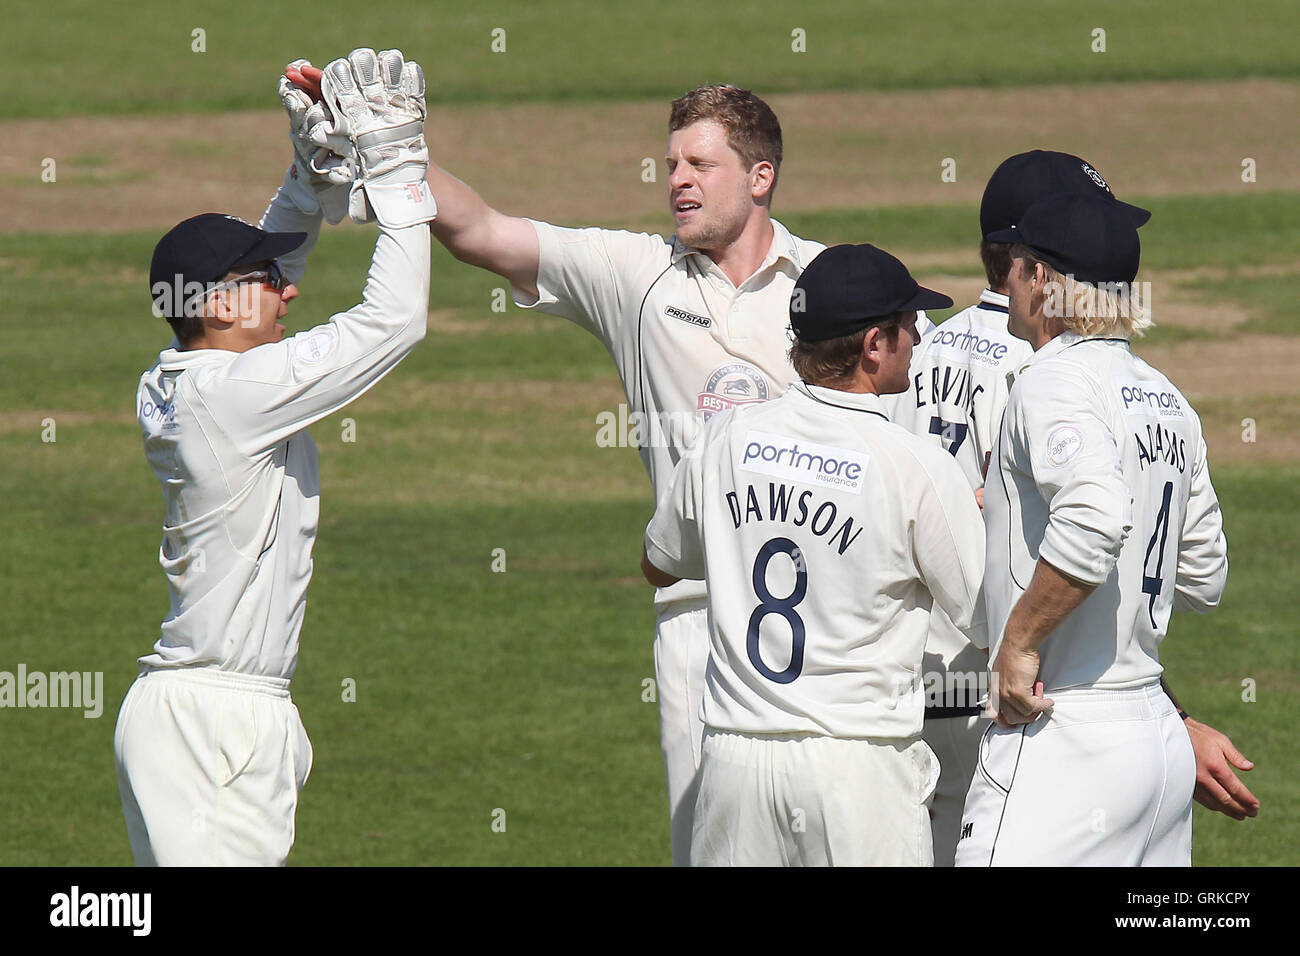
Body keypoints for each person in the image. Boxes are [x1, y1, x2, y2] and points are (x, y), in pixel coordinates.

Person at [281, 64, 875, 864]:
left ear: (761, 175)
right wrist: (392, 153)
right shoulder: (633, 275)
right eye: (672, 166)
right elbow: (484, 231)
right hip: (697, 618)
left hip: (837, 615)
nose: (679, 183)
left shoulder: (837, 285)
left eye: (702, 166)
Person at [113, 49, 434, 865]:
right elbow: (393, 322)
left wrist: (308, 174)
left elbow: (276, 262)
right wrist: (396, 169)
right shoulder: (235, 394)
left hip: (202, 713)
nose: (288, 289)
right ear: (216, 302)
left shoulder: (185, 375)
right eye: (265, 280)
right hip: (216, 726)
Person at [642, 244, 985, 865]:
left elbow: (659, 564)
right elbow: (985, 616)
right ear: (874, 345)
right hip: (857, 768)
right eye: (908, 326)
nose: (916, 338)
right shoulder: (917, 466)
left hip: (734, 763)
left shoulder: (725, 437)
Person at [883, 150, 1151, 865]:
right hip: (1010, 670)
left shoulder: (923, 347)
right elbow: (1091, 523)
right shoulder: (1049, 365)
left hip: (916, 661)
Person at [955, 192, 1229, 865]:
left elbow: (1097, 516)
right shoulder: (1166, 397)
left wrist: (1019, 642)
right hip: (1157, 748)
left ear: (1041, 278)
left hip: (1062, 736)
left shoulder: (1051, 381)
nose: (1008, 280)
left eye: (1015, 264)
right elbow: (1203, 573)